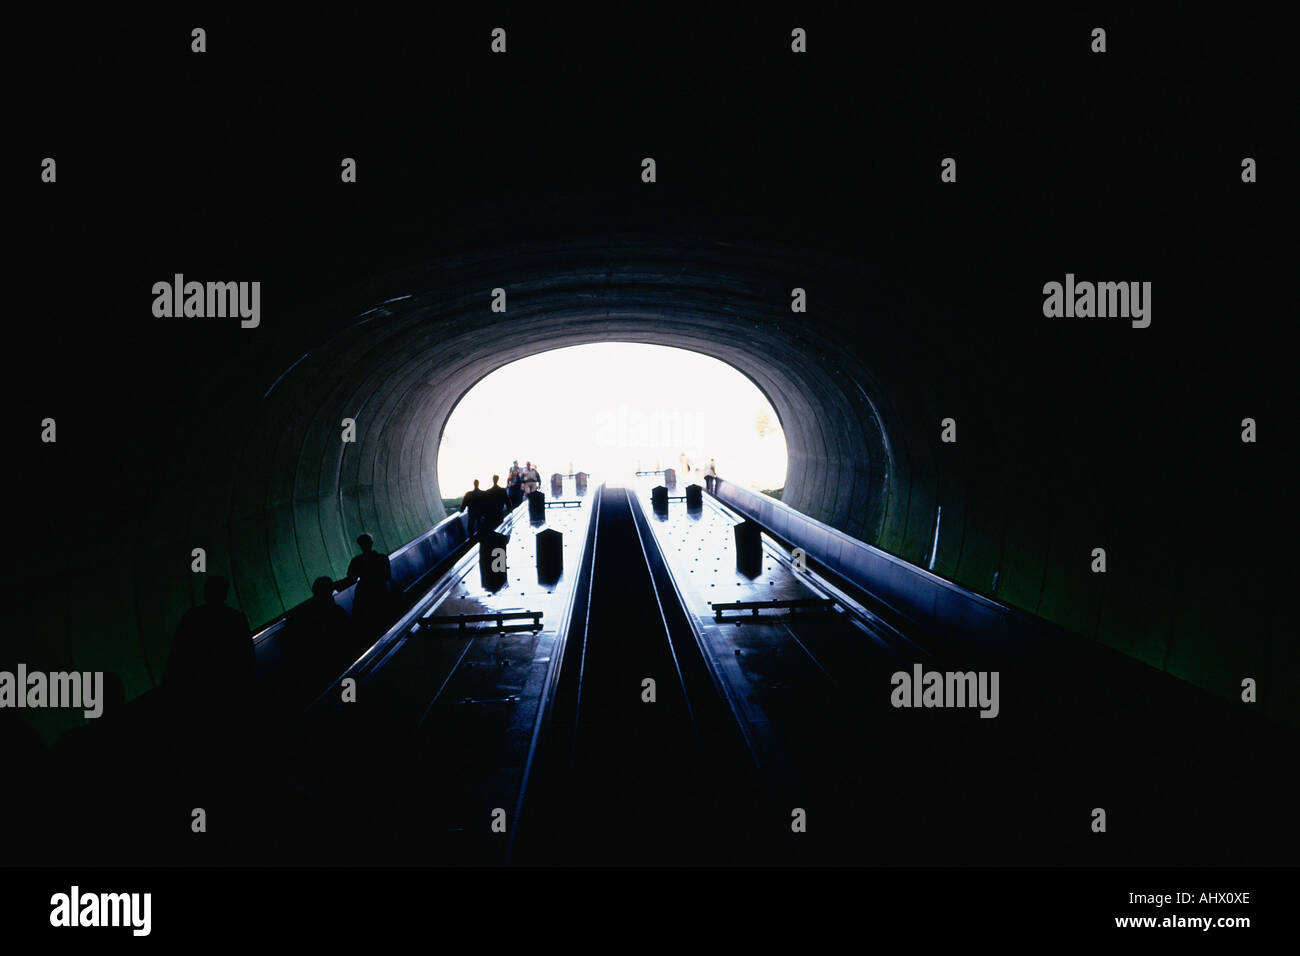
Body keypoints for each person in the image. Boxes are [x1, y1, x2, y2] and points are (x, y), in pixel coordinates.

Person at [165, 576, 255, 721]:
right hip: (228, 685)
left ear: (206, 592)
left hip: (198, 685)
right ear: (225, 594)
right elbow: (247, 654)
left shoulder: (192, 616)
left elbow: (178, 651)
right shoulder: (236, 618)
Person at [340, 534, 394, 638]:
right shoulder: (382, 558)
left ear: (360, 545)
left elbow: (351, 580)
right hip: (380, 592)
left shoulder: (357, 561)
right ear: (372, 543)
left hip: (363, 594)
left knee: (365, 624)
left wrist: (333, 586)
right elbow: (386, 576)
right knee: (383, 621)